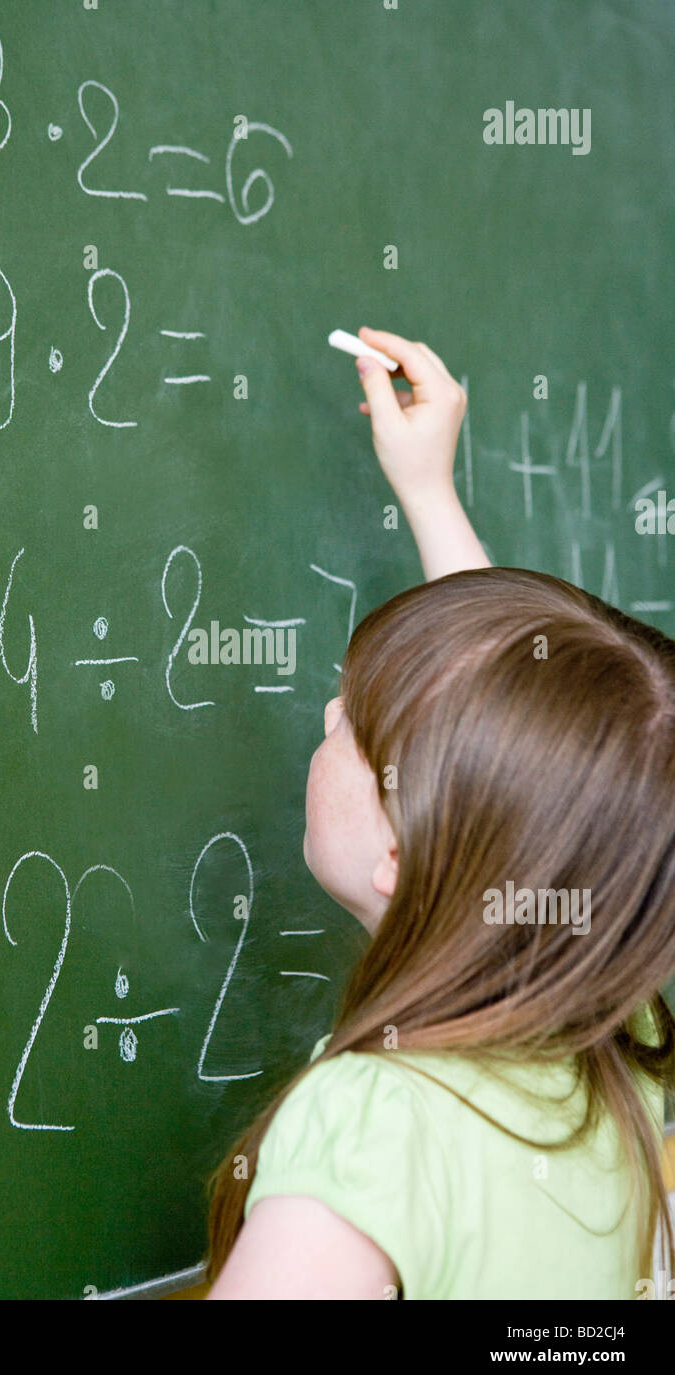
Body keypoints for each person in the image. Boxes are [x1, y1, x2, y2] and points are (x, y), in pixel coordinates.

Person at [204, 328, 675, 1300]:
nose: (329, 713)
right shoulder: (615, 1028)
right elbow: (529, 753)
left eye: (353, 721)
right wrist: (426, 489)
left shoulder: (372, 1126)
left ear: (402, 851)